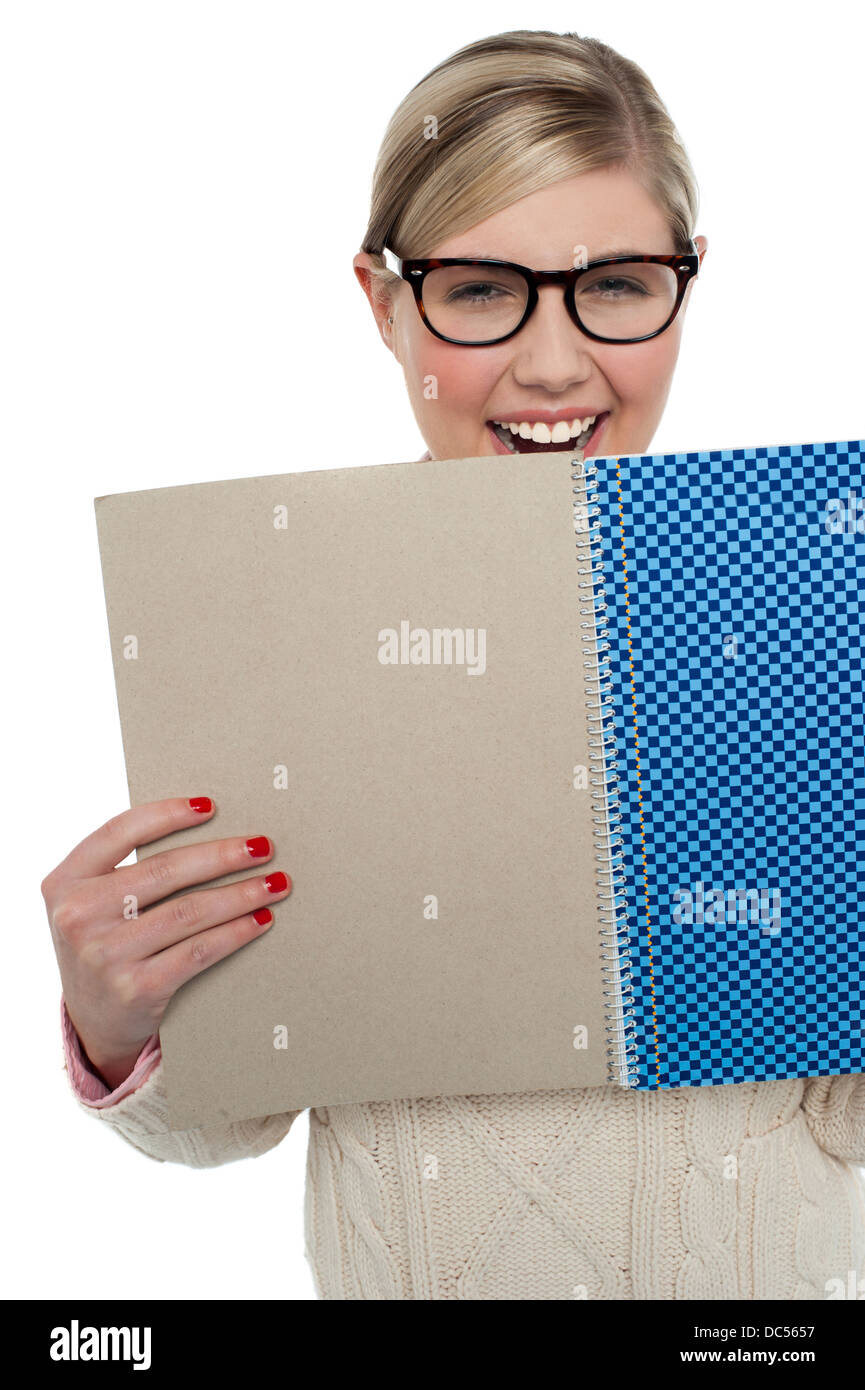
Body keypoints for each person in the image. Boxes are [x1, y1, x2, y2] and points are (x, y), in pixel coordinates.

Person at [44, 28, 865, 1301]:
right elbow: (226, 1118)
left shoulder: (797, 601)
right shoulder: (285, 626)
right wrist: (119, 1021)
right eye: (480, 289)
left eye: (618, 283)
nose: (552, 362)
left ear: (685, 288)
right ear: (382, 304)